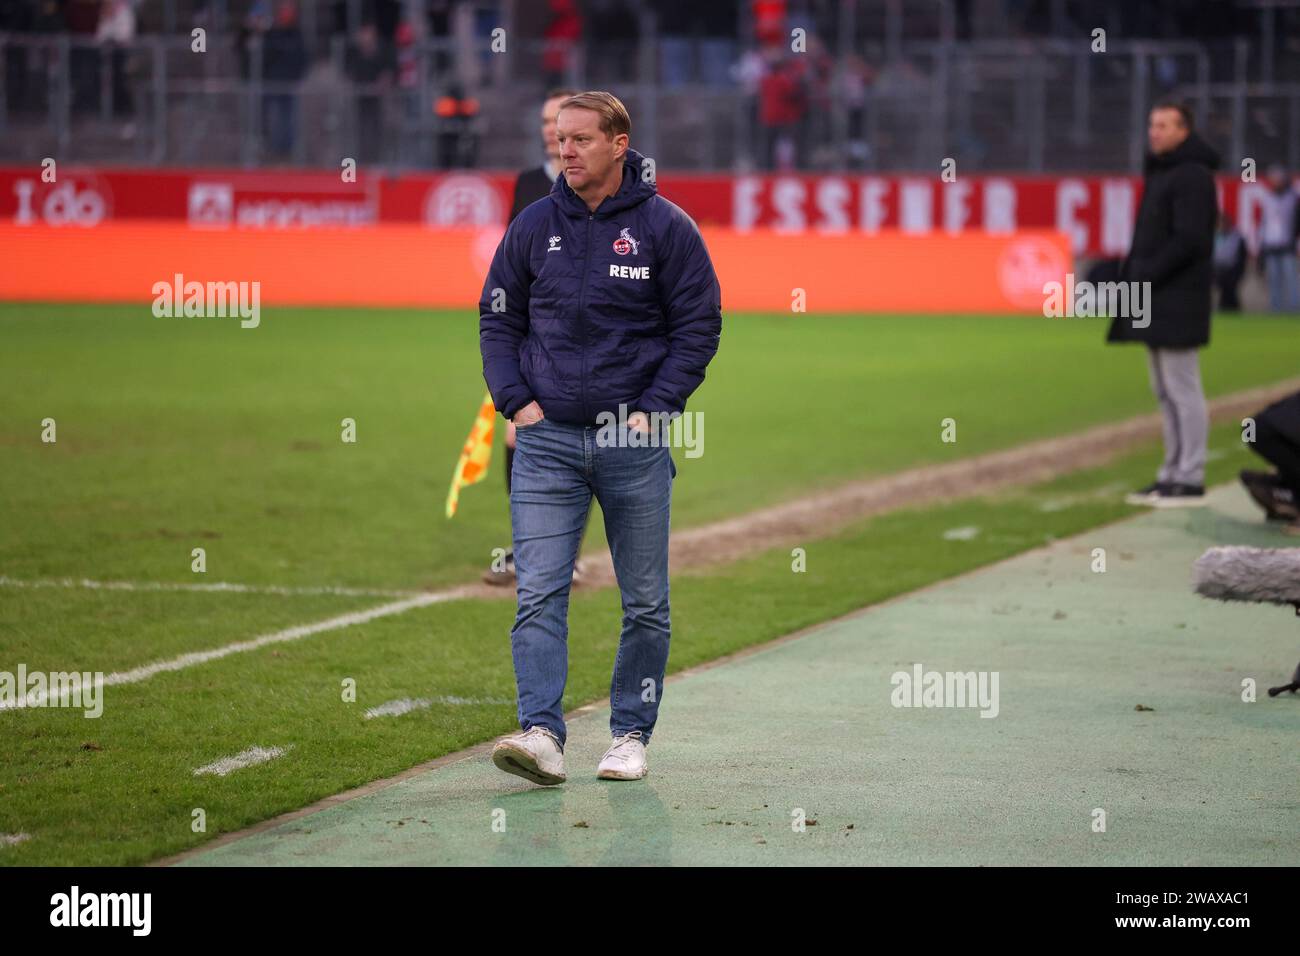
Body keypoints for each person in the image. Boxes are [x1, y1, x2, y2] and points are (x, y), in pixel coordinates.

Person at [479, 91, 722, 785]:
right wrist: (515, 402)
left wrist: (655, 408)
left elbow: (698, 324)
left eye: (581, 139)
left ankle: (628, 736)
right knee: (538, 593)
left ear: (620, 144)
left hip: (631, 441)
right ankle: (542, 735)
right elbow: (498, 317)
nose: (566, 150)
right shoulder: (532, 226)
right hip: (547, 441)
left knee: (644, 600)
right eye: (561, 139)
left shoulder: (666, 228)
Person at [483, 88, 583, 587]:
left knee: (576, 436)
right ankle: (528, 548)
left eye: (559, 120)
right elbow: (511, 261)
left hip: (581, 336)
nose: (550, 129)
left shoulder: (595, 183)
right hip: (530, 331)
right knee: (515, 429)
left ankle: (567, 552)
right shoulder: (526, 183)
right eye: (545, 120)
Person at [1108, 100, 1219, 508]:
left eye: (1163, 125)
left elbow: (1191, 240)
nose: (1154, 132)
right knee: (1163, 388)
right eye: (1152, 124)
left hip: (1177, 296)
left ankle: (1191, 475)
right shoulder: (1164, 172)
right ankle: (1170, 472)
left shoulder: (1191, 176)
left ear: (1183, 131)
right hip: (1157, 296)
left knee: (1182, 386)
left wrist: (1146, 273)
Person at [1239, 390, 1300, 535]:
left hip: (1252, 429)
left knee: (1292, 463)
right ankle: (1284, 492)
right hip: (1266, 431)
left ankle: (1276, 489)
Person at [1257, 166, 1300, 313]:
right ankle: (1276, 308)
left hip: (1287, 244)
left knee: (1291, 278)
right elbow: (1264, 223)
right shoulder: (1268, 198)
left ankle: (1295, 308)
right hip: (1271, 244)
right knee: (1274, 279)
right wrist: (1261, 243)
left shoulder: (1293, 198)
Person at [1212, 213, 1247, 311]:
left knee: (1230, 290)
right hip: (1217, 270)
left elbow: (1241, 258)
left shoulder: (1237, 238)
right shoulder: (1214, 237)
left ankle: (1232, 309)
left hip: (1233, 270)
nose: (1222, 226)